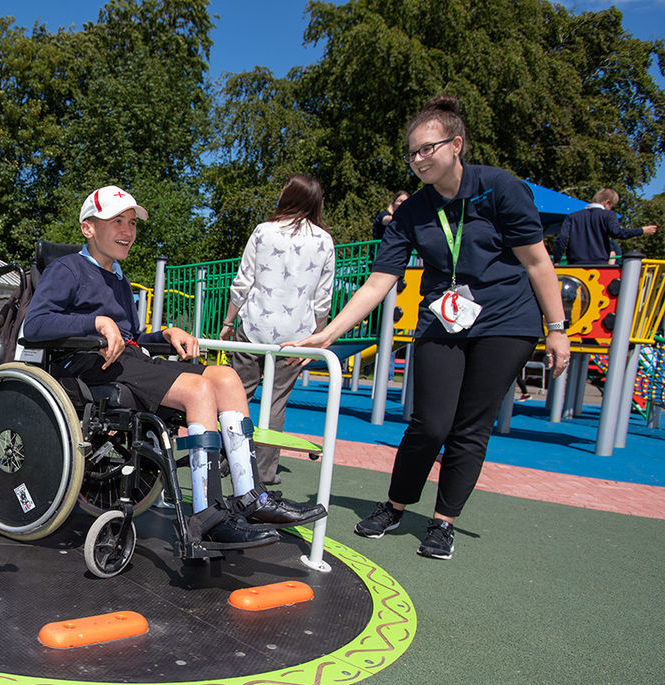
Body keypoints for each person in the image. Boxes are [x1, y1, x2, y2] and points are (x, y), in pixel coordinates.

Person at [287, 95, 571, 561]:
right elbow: (380, 280)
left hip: (506, 320)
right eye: (412, 152)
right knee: (430, 422)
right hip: (444, 318)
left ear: (456, 145)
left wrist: (556, 328)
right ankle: (395, 505)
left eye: (428, 149)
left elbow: (538, 261)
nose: (419, 159)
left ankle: (444, 522)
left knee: (469, 426)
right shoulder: (413, 211)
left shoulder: (500, 188)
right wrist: (330, 333)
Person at [22, 185, 327, 545]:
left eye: (132, 223)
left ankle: (250, 497)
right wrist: (95, 323)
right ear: (88, 228)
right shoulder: (68, 269)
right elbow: (36, 325)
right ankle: (206, 518)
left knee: (227, 378)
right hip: (87, 364)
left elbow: (130, 337)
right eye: (117, 221)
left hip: (127, 360)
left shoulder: (117, 276)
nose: (128, 231)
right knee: (198, 389)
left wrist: (165, 335)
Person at [219, 174, 336, 486]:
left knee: (238, 392)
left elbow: (244, 280)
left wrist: (229, 321)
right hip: (296, 334)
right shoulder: (324, 241)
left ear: (288, 197)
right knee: (276, 402)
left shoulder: (264, 232)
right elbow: (323, 298)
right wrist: (318, 335)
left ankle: (227, 457)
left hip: (255, 324)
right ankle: (266, 471)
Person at [552, 188, 657, 265]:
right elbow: (617, 233)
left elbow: (561, 239)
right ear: (607, 202)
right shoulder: (609, 215)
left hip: (575, 265)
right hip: (599, 265)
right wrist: (641, 230)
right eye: (611, 206)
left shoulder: (572, 217)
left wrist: (557, 260)